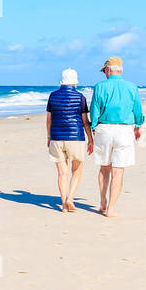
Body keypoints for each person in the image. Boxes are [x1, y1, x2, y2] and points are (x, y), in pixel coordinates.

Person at [89, 56, 144, 218]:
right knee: (118, 170)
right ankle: (111, 209)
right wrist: (138, 127)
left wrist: (93, 127)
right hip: (124, 130)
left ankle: (102, 202)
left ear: (108, 69)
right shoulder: (132, 87)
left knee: (104, 168)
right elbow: (138, 111)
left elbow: (95, 109)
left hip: (104, 129)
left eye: (104, 71)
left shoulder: (100, 86)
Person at [44, 68, 93, 212]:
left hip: (56, 137)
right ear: (75, 81)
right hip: (75, 138)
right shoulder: (80, 97)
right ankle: (70, 199)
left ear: (62, 81)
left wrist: (48, 137)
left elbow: (49, 120)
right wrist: (90, 139)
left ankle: (64, 206)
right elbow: (85, 121)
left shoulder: (52, 96)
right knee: (76, 171)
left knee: (62, 173)